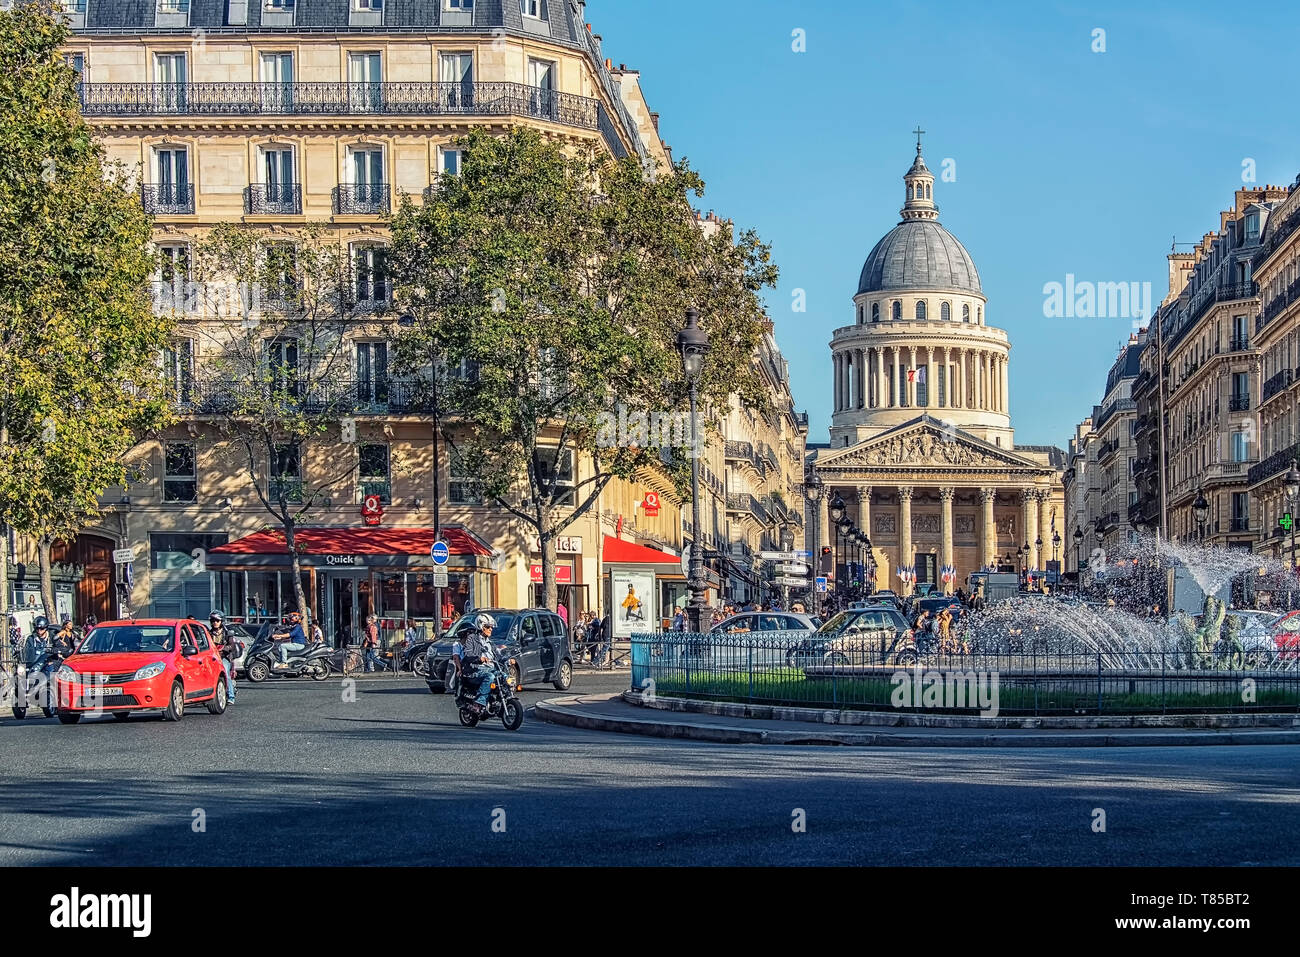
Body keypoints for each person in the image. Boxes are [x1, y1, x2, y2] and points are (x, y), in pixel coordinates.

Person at [459, 613, 499, 715]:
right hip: (475, 670)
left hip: (491, 668)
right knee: (490, 677)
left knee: (504, 676)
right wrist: (479, 659)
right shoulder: (472, 638)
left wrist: (508, 660)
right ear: (481, 626)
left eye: (491, 627)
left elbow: (498, 656)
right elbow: (468, 654)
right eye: (488, 627)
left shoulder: (490, 642)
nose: (491, 629)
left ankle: (503, 700)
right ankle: (478, 703)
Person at [209, 612, 239, 702]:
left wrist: (224, 648)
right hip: (213, 658)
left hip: (224, 657)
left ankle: (231, 696)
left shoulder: (227, 633)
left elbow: (232, 645)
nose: (215, 622)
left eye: (217, 620)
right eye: (213, 620)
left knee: (226, 674)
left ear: (221, 621)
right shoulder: (208, 633)